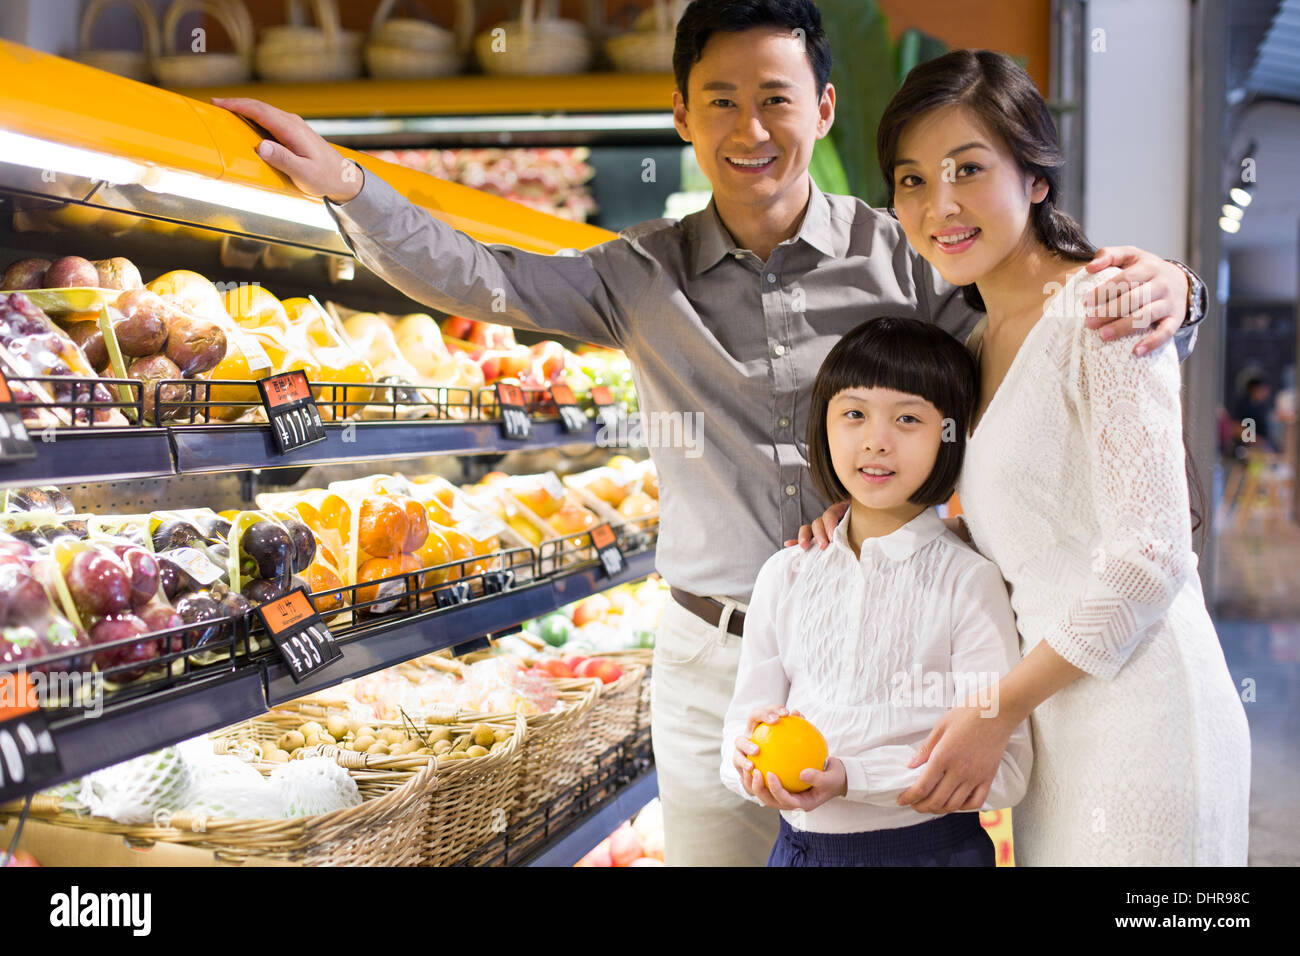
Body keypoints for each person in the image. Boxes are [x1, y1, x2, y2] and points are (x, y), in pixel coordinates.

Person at [214, 0, 1201, 866]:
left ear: (821, 109)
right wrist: (350, 187)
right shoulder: (635, 274)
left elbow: (1039, 345)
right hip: (707, 657)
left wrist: (1176, 293)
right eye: (719, 100)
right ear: (681, 117)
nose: (750, 127)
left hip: (883, 648)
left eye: (775, 96)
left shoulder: (900, 252)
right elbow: (488, 277)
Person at [800, 50, 1249, 865]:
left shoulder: (1102, 310)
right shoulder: (974, 341)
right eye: (912, 181)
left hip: (1143, 713)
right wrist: (861, 518)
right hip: (1056, 719)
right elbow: (1023, 523)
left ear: (1036, 178)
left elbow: (1150, 559)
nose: (941, 205)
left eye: (968, 169)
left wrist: (995, 708)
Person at [721, 316, 1031, 866]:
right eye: (854, 414)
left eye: (908, 418)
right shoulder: (785, 574)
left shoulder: (968, 582)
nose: (875, 441)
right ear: (824, 427)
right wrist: (749, 766)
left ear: (952, 435)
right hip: (797, 852)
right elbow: (740, 727)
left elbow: (1005, 769)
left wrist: (853, 779)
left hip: (928, 853)